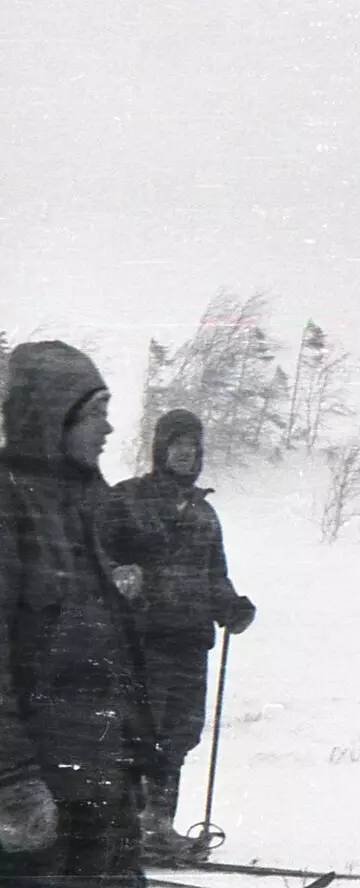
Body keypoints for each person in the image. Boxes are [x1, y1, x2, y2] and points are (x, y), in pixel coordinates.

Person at [0, 340, 160, 886]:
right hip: (37, 786)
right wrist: (14, 778)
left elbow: (117, 648)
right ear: (52, 418)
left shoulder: (92, 502)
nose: (109, 429)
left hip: (101, 774)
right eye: (97, 413)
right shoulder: (8, 504)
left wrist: (139, 750)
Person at [103, 409, 256, 864]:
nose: (187, 453)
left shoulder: (206, 515)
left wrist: (231, 606)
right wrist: (117, 574)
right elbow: (95, 552)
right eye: (177, 444)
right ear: (160, 449)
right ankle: (121, 826)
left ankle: (157, 826)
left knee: (179, 734)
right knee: (136, 732)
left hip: (190, 640)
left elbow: (215, 575)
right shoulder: (127, 499)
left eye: (193, 445)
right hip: (141, 639)